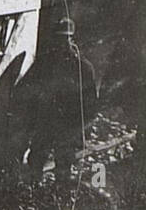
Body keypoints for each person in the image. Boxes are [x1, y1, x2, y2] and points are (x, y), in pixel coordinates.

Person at [21, 17, 97, 181]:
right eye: (58, 38)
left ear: (72, 39)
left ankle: (62, 195)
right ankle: (35, 193)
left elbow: (90, 102)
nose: (62, 43)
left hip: (68, 123)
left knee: (64, 161)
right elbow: (30, 88)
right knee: (36, 158)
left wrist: (83, 127)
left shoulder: (82, 67)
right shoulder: (44, 62)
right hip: (46, 120)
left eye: (66, 38)